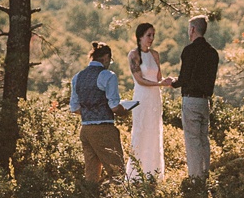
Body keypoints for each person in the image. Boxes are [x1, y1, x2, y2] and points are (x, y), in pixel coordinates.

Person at [69, 41, 125, 182]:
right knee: (117, 172)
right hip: (104, 129)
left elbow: (74, 107)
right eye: (110, 60)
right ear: (106, 57)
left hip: (86, 129)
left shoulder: (77, 77)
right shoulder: (108, 76)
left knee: (91, 174)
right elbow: (114, 106)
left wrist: (90, 111)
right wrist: (126, 111)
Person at [170, 16, 219, 178]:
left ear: (192, 29)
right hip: (205, 101)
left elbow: (183, 79)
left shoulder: (189, 51)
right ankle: (206, 173)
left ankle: (195, 178)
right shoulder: (213, 53)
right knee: (204, 139)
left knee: (192, 140)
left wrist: (172, 82)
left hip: (190, 100)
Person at [127, 21, 166, 178]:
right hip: (142, 96)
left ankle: (153, 172)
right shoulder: (134, 55)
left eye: (153, 35)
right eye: (148, 35)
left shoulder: (155, 54)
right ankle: (136, 173)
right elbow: (140, 79)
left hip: (155, 97)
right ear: (140, 36)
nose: (151, 38)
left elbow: (159, 76)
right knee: (141, 131)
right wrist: (159, 84)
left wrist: (164, 81)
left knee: (154, 131)